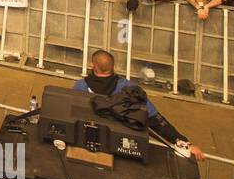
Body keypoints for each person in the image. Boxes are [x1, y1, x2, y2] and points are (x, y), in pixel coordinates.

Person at [73, 50, 202, 159]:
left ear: (93, 66)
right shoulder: (130, 89)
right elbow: (155, 120)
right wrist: (183, 142)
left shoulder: (80, 86)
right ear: (113, 67)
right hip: (123, 147)